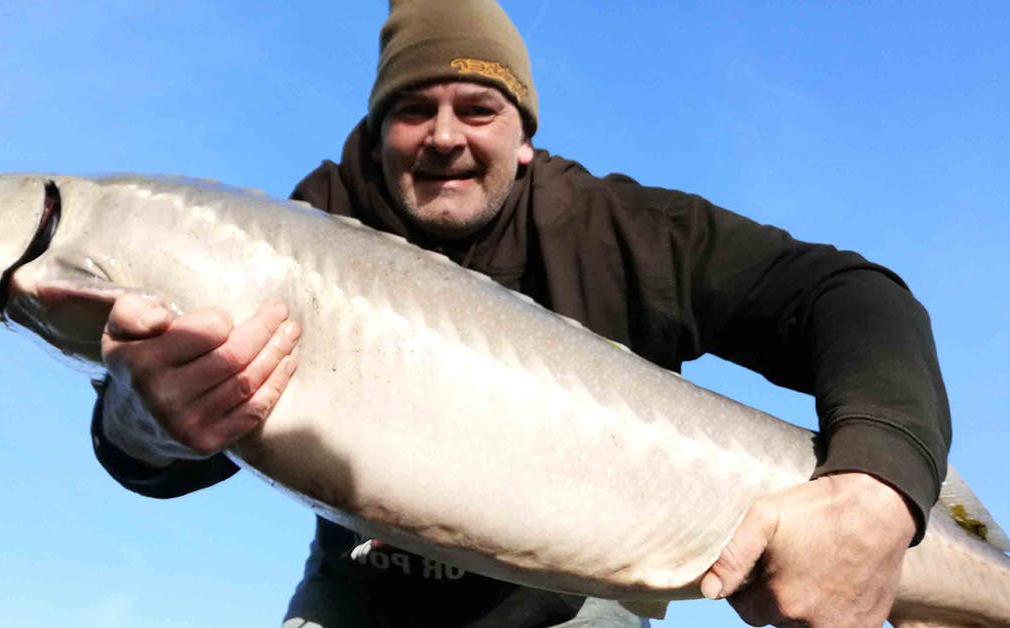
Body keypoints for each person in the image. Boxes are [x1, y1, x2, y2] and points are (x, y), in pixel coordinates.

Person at [91, 1, 950, 626]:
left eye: (477, 109)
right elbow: (167, 444)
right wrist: (141, 429)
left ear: (524, 133)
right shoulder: (300, 232)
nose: (444, 135)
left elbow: (849, 296)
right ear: (378, 126)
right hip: (358, 595)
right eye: (412, 110)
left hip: (573, 605)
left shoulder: (626, 233)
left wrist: (878, 483)